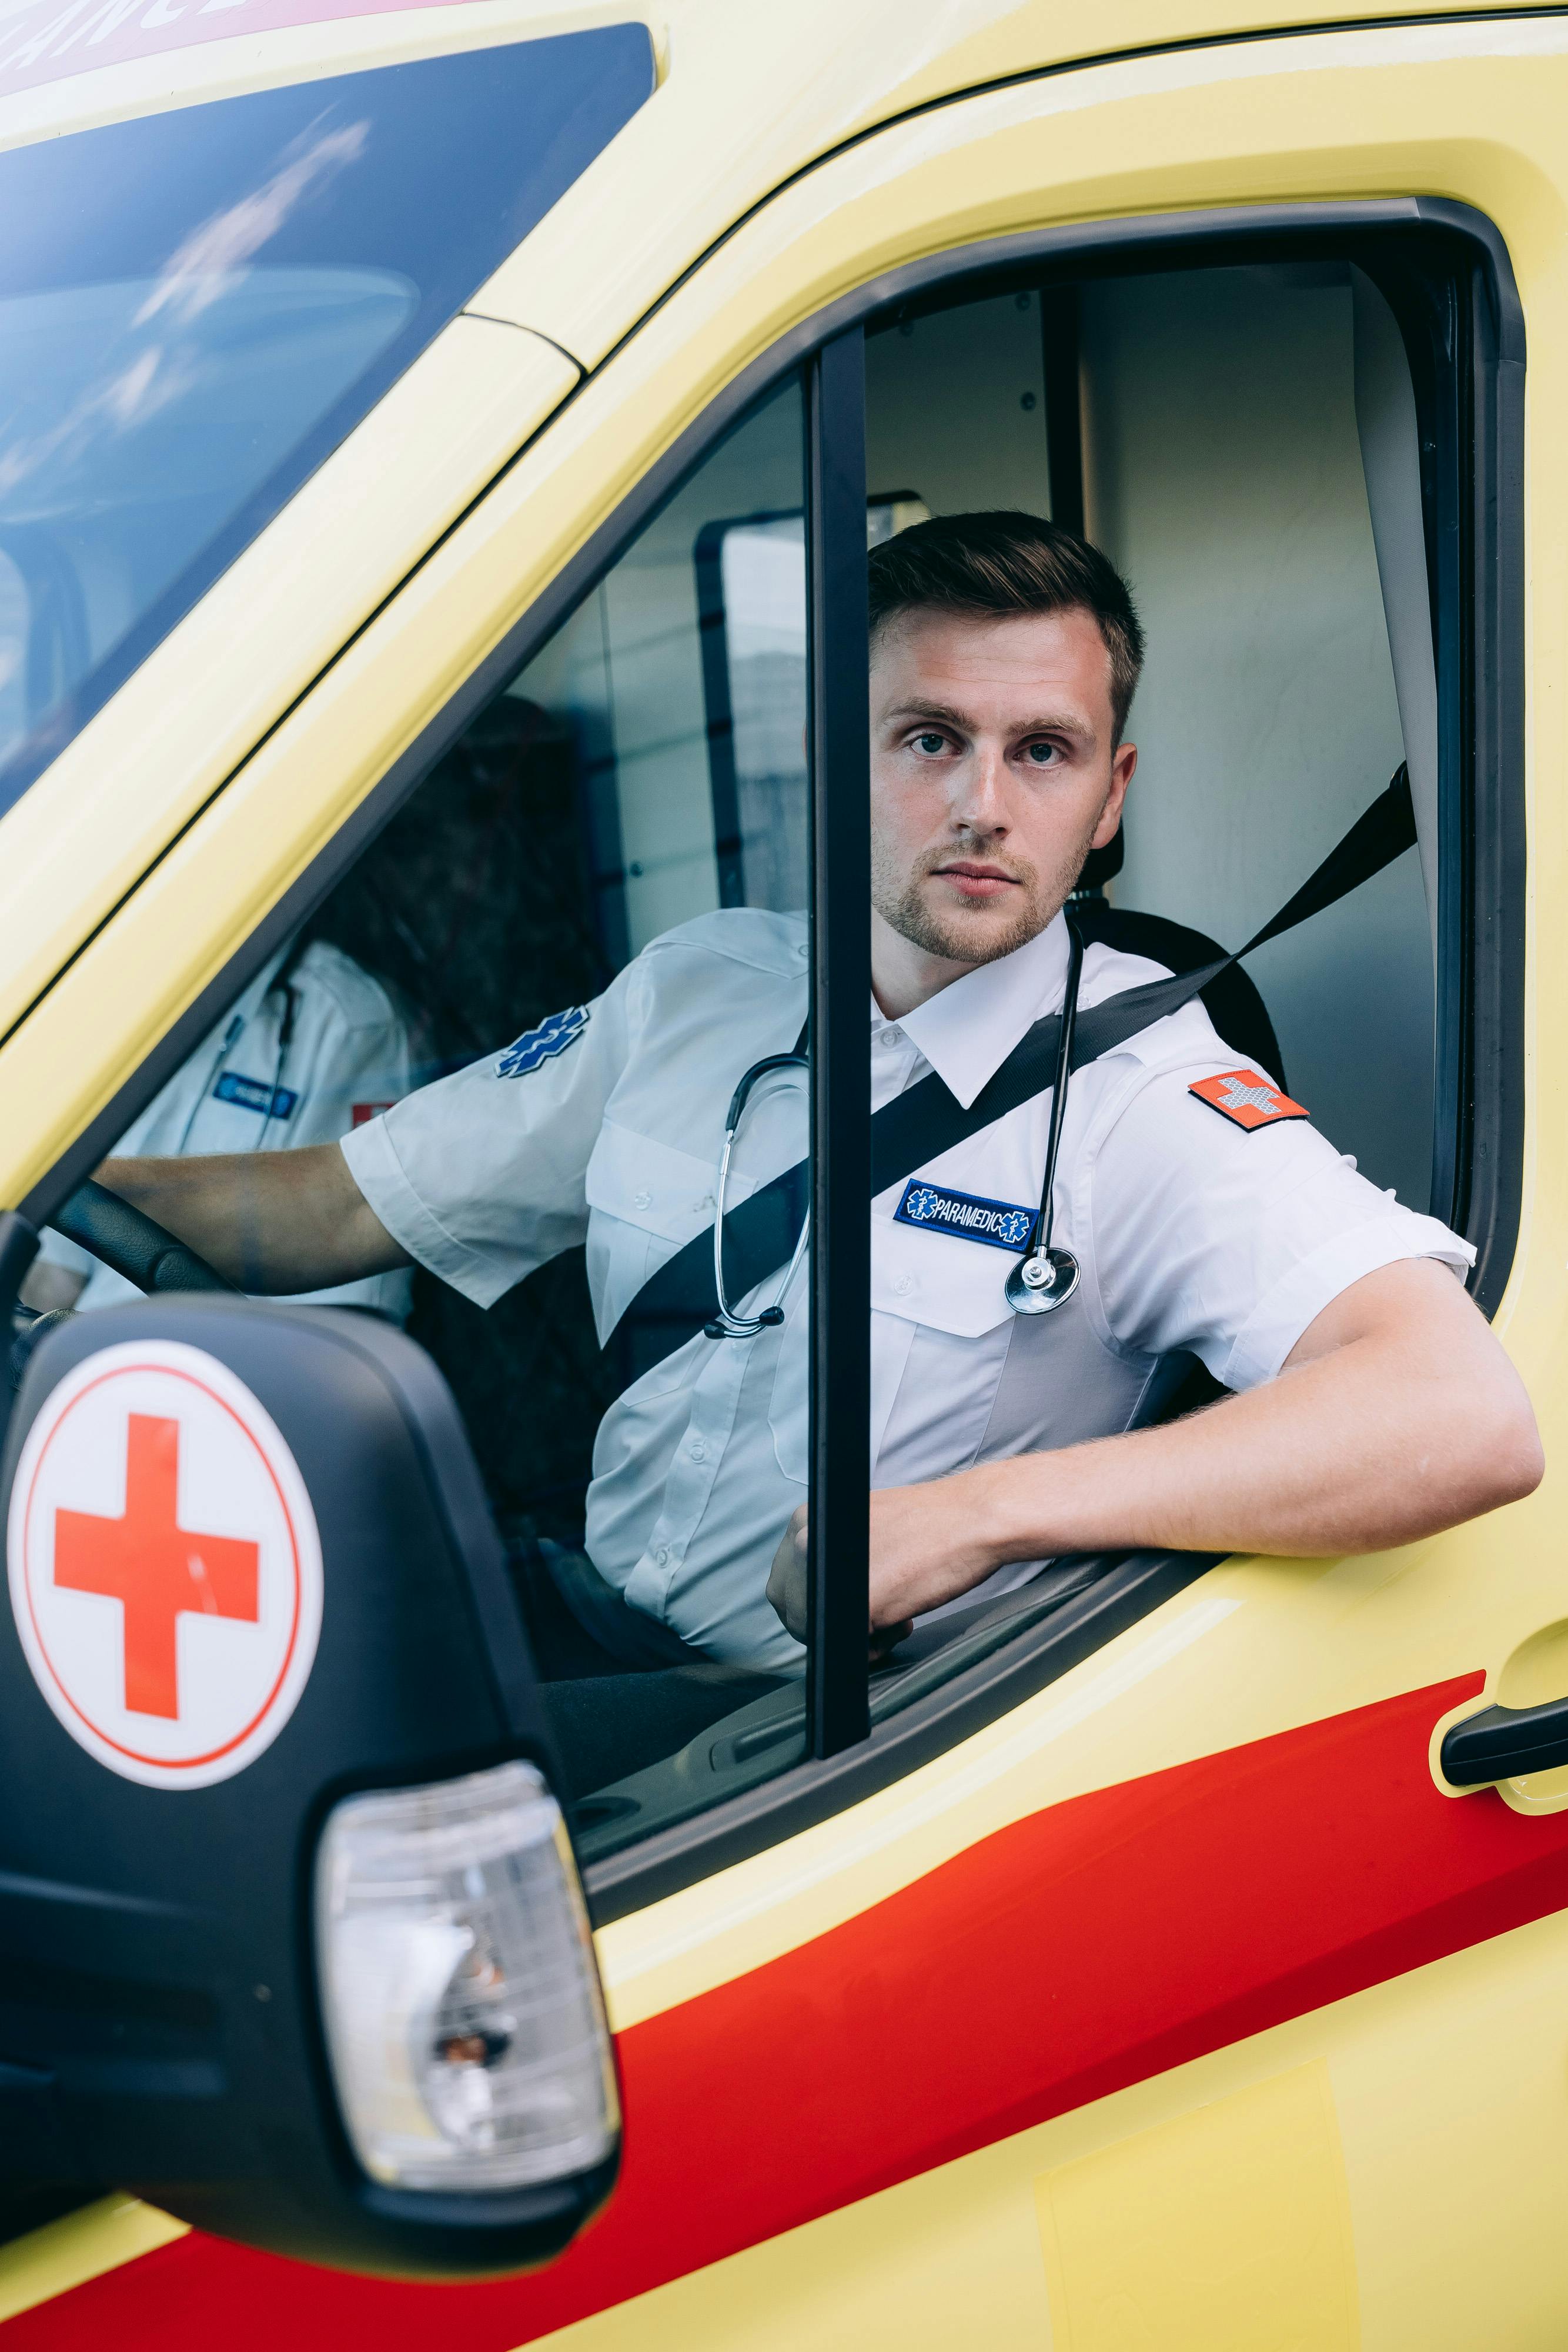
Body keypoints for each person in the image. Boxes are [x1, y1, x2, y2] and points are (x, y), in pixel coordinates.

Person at [86, 513, 1542, 1673]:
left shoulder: (1144, 1100)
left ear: (1110, 798)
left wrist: (978, 1517)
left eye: (1042, 752)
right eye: (930, 739)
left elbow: (1457, 1410)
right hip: (581, 1638)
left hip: (827, 1760)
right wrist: (56, 1181)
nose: (983, 805)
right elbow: (335, 1208)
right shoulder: (698, 986)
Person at [28, 934, 416, 1323]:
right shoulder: (111, 991)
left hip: (223, 1350)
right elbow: (58, 1264)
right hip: (84, 1340)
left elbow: (347, 1308)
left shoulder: (349, 1021)